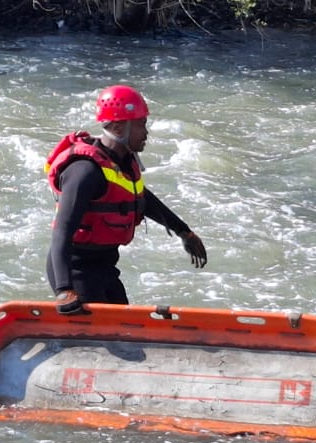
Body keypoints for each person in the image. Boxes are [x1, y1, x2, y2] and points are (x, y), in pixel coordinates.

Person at [44, 84, 207, 314]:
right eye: (141, 125)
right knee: (103, 339)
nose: (146, 133)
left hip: (105, 266)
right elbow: (62, 230)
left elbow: (143, 199)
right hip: (76, 270)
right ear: (120, 129)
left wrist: (184, 232)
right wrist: (63, 290)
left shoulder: (121, 164)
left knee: (127, 329)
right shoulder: (84, 172)